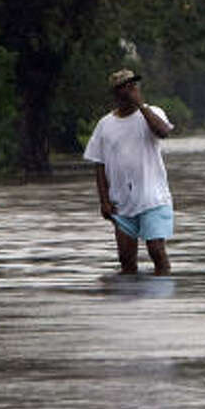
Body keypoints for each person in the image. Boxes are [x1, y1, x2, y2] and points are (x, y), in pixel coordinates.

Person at [83, 68, 176, 275]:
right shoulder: (105, 125)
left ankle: (160, 299)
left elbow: (163, 132)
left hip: (153, 198)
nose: (132, 89)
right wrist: (104, 201)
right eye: (127, 87)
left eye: (135, 85)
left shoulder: (152, 113)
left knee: (157, 252)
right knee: (126, 259)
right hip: (121, 202)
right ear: (117, 93)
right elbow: (99, 164)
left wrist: (140, 105)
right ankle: (129, 300)